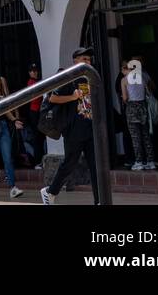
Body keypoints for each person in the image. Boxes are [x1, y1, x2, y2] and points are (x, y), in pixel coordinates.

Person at [41, 46, 100, 206]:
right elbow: (52, 98)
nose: (88, 62)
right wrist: (73, 97)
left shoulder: (90, 78)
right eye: (85, 59)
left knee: (96, 166)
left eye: (89, 59)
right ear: (76, 61)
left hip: (89, 128)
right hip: (73, 130)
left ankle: (99, 201)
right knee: (70, 163)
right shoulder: (68, 76)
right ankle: (50, 191)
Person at [121, 57, 156, 171]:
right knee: (146, 135)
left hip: (132, 107)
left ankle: (139, 161)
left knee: (135, 137)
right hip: (143, 106)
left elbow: (125, 97)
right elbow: (148, 92)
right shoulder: (142, 78)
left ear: (127, 68)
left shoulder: (125, 80)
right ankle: (150, 161)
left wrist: (124, 100)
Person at [19, 64, 44, 169]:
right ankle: (37, 161)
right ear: (29, 73)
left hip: (37, 112)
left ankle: (39, 160)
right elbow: (35, 98)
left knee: (39, 137)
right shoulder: (31, 82)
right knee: (37, 137)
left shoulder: (35, 82)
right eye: (32, 71)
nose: (34, 72)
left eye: (35, 71)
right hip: (34, 112)